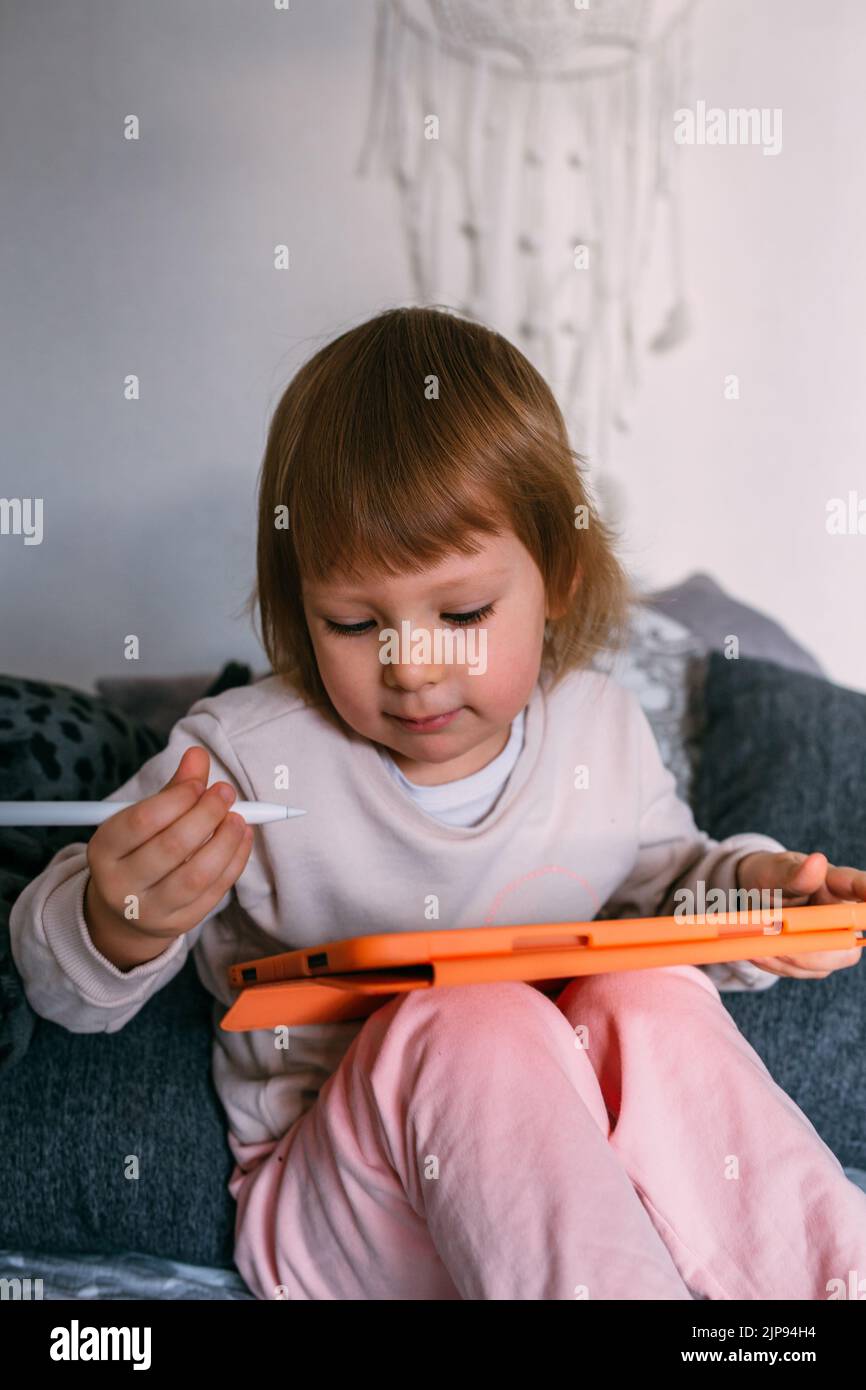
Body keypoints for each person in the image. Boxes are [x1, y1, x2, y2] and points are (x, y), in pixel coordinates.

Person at [11, 306, 866, 1300]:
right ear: (300, 608)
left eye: (461, 614)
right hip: (346, 1205)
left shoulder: (599, 730)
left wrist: (754, 892)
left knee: (650, 992)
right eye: (351, 621)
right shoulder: (241, 757)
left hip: (579, 1196)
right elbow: (58, 983)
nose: (412, 668)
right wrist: (111, 916)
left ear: (557, 580)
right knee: (477, 1024)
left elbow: (669, 888)